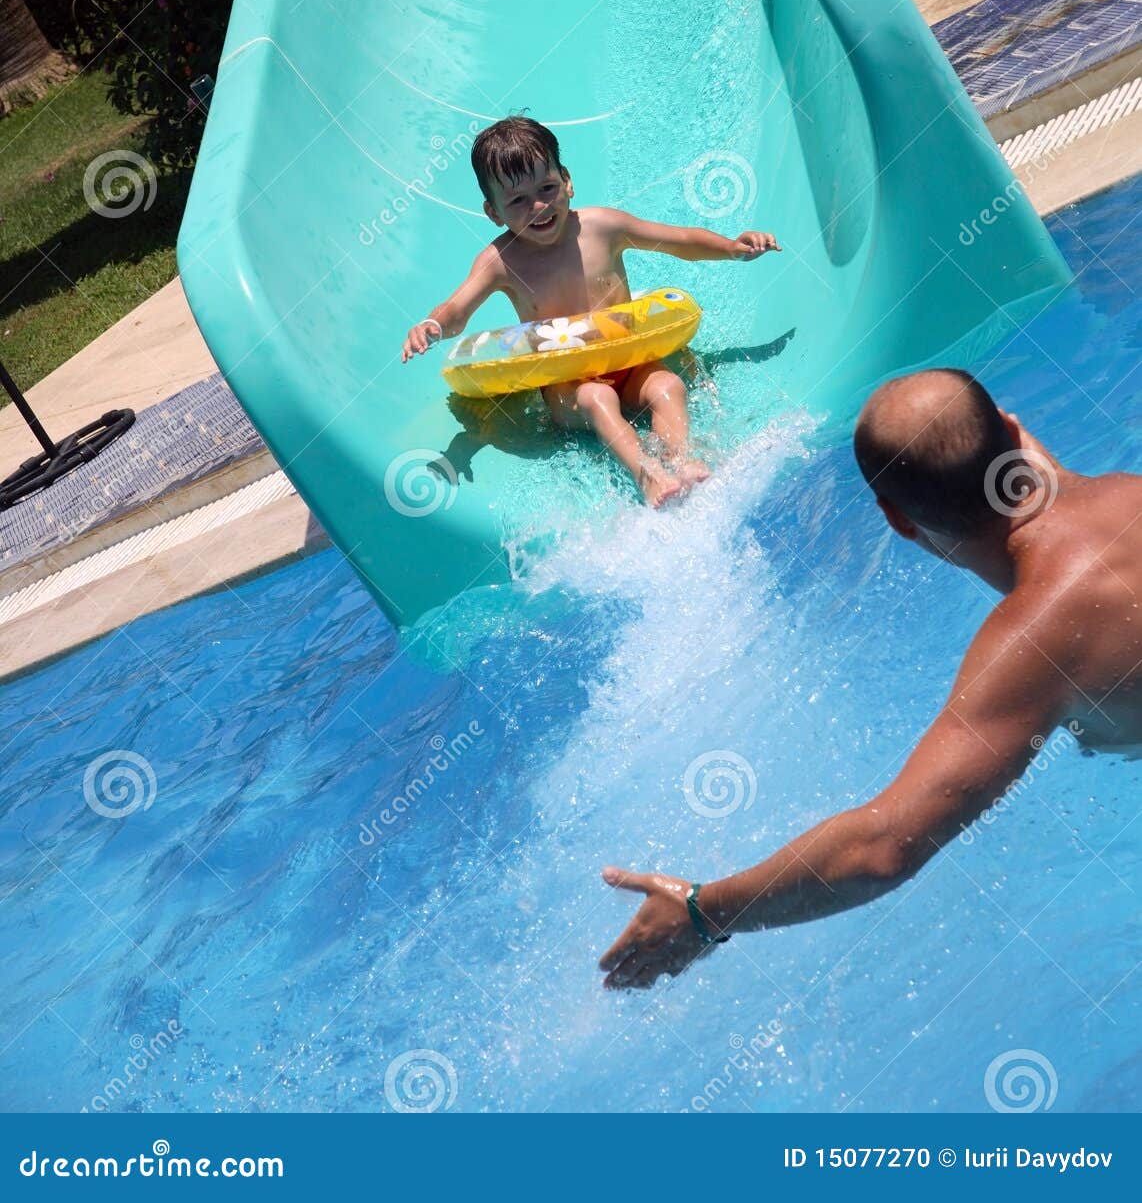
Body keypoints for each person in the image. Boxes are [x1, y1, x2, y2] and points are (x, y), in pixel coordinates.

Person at [599, 366, 1142, 987]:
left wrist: (702, 911)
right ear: (1018, 433)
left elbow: (881, 849)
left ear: (897, 520)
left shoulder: (1036, 646)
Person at [402, 116, 780, 506]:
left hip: (629, 363)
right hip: (568, 386)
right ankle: (648, 476)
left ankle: (682, 460)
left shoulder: (603, 227)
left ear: (567, 181)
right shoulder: (500, 261)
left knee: (669, 386)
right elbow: (457, 309)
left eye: (547, 188)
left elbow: (678, 241)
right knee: (599, 399)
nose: (538, 206)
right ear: (493, 212)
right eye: (517, 201)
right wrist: (432, 325)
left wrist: (732, 249)